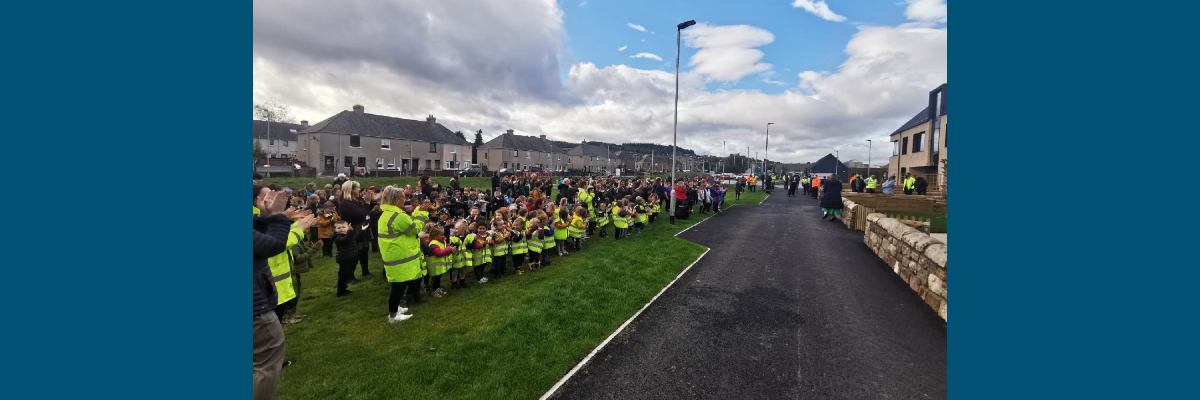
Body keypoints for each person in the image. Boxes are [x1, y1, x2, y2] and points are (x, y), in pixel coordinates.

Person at [253, 187, 293, 400]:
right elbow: (272, 245)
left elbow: (256, 238)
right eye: (267, 195)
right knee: (267, 360)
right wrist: (277, 217)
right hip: (254, 307)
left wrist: (263, 216)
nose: (273, 198)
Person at [377, 186, 425, 323]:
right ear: (397, 199)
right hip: (399, 255)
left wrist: (415, 212)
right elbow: (414, 228)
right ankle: (393, 315)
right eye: (404, 198)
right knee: (398, 286)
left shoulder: (387, 213)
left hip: (394, 254)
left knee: (399, 284)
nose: (405, 200)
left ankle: (396, 307)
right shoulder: (397, 216)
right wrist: (422, 215)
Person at [337, 180, 377, 279]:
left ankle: (365, 271)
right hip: (354, 228)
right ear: (351, 189)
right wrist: (367, 203)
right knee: (355, 252)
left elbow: (366, 210)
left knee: (364, 249)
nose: (359, 189)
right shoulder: (345, 203)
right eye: (358, 188)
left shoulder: (356, 200)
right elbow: (360, 215)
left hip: (362, 227)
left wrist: (371, 202)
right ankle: (350, 276)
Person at [330, 221, 359, 296]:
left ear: (347, 227)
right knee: (343, 275)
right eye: (339, 228)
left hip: (350, 257)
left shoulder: (347, 234)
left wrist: (362, 231)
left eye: (343, 227)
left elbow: (355, 239)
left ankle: (344, 288)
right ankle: (341, 291)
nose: (341, 229)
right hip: (344, 258)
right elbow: (345, 240)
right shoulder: (337, 237)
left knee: (346, 274)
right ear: (335, 229)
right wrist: (350, 232)